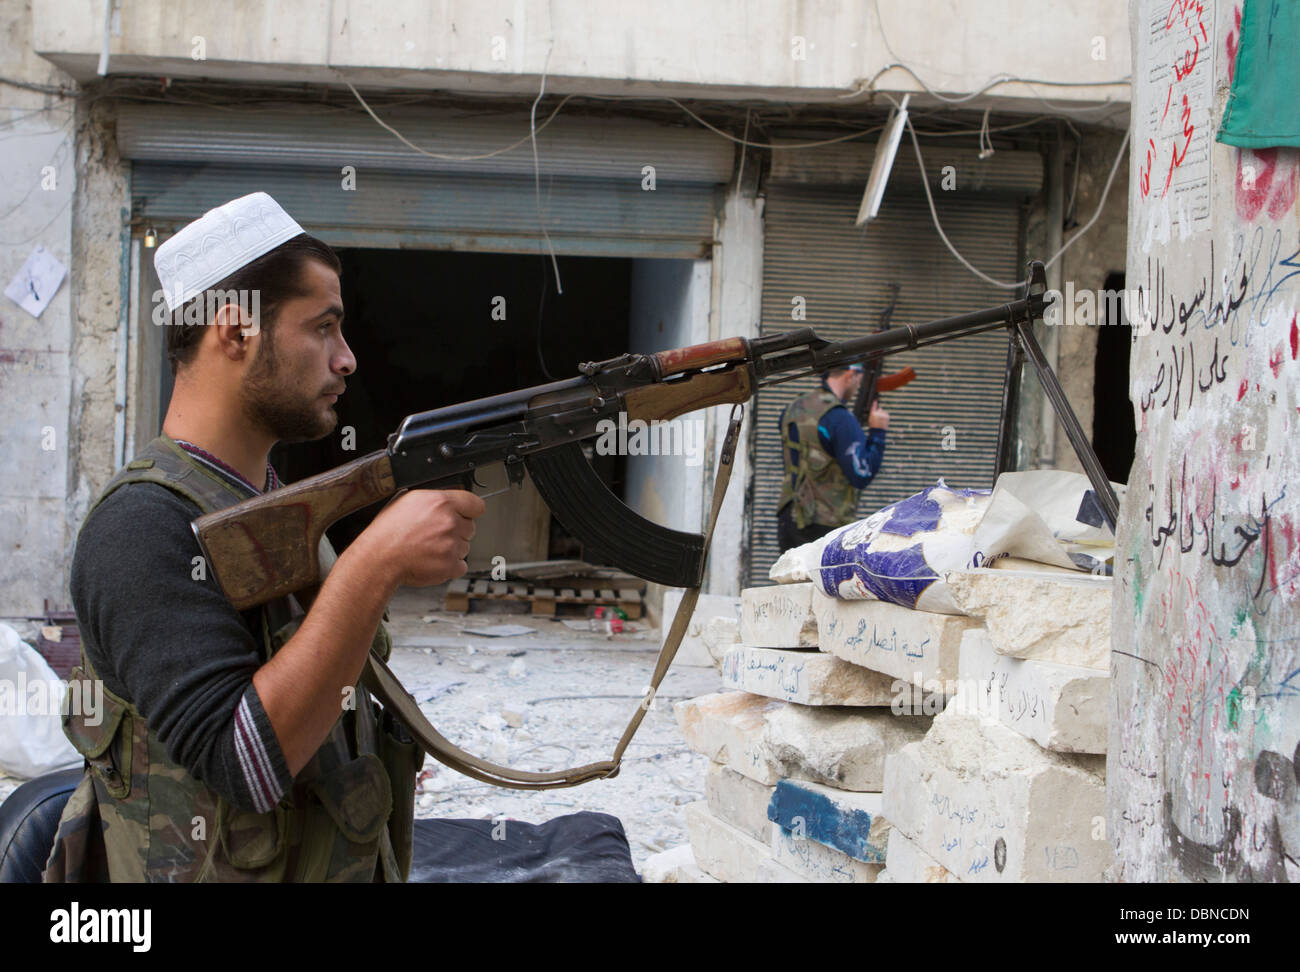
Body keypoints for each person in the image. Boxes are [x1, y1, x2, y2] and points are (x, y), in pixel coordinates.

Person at [44, 193, 485, 882]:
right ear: (236, 331)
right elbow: (241, 761)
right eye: (323, 328)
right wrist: (375, 561)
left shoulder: (270, 504)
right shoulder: (139, 528)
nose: (348, 360)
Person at [776, 363, 890, 551]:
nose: (858, 386)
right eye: (859, 379)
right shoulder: (839, 417)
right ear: (851, 374)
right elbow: (861, 474)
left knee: (794, 581)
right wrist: (878, 432)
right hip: (825, 525)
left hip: (789, 520)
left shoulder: (792, 408)